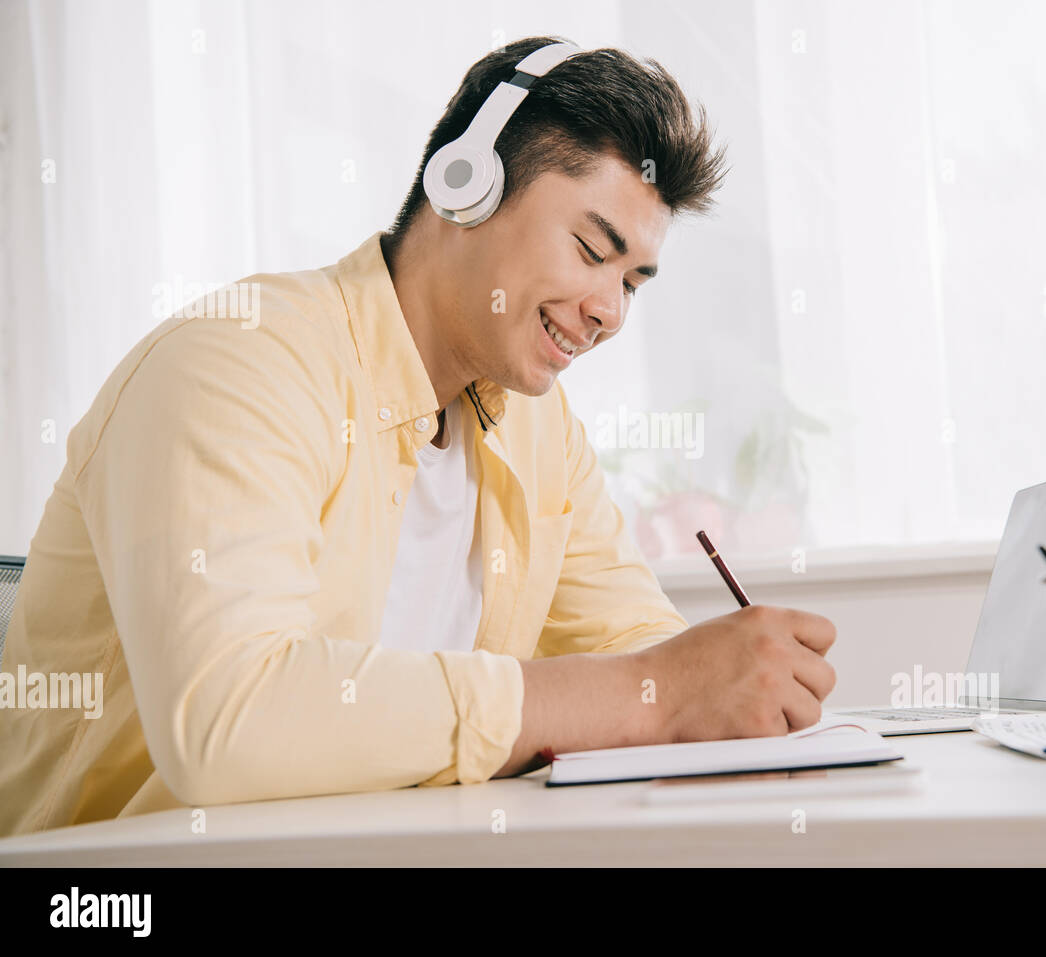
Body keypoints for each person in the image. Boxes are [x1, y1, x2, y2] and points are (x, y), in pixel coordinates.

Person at [0, 35, 835, 836]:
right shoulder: (240, 363)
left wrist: (728, 687)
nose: (609, 311)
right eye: (590, 250)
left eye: (631, 283)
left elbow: (639, 656)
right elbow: (228, 719)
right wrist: (651, 688)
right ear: (462, 184)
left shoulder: (539, 432)